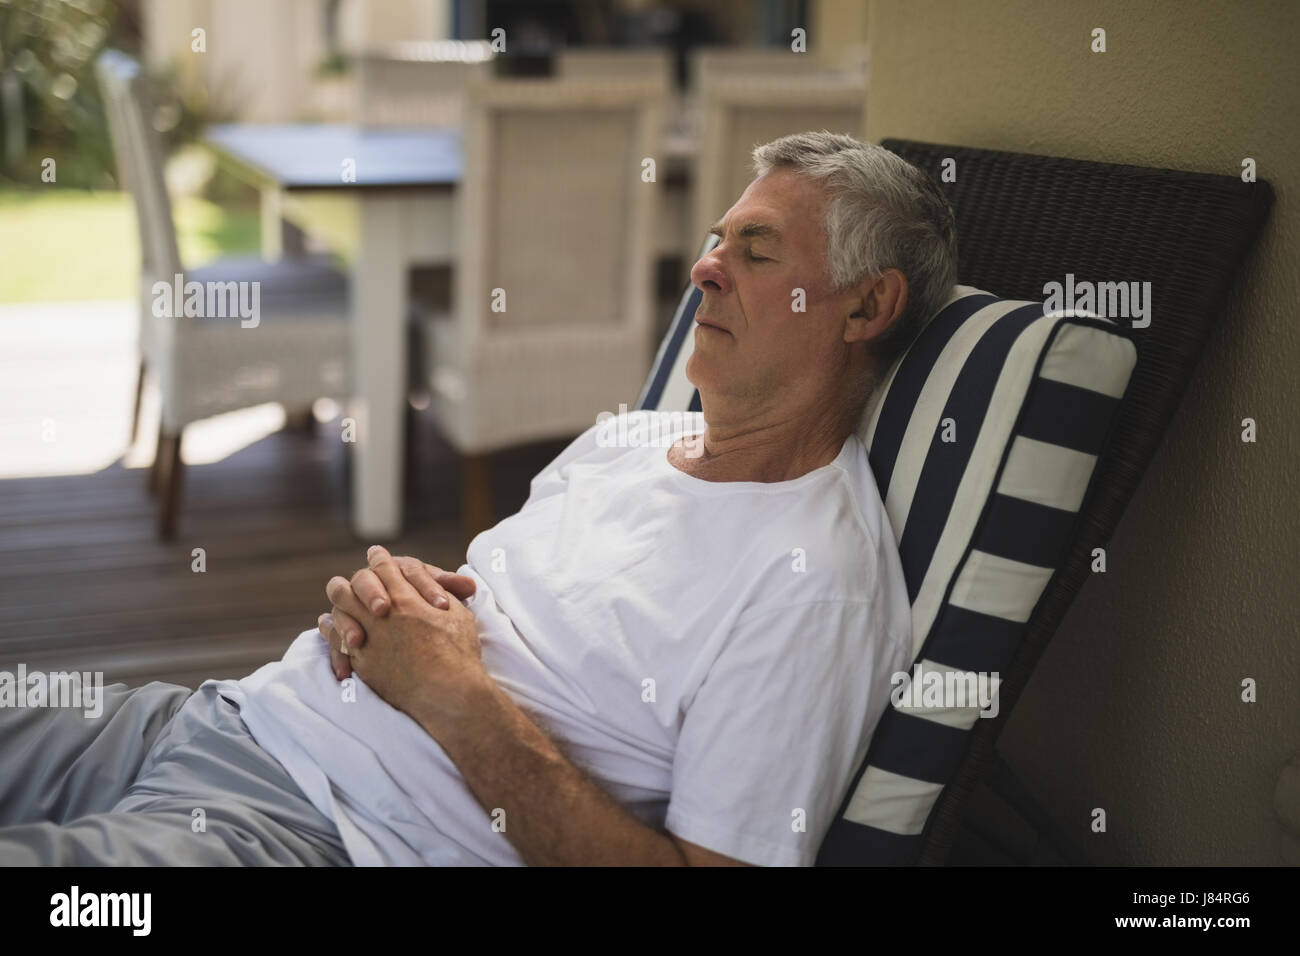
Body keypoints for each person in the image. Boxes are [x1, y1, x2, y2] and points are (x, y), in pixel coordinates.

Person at [0, 131, 958, 866]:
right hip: (225, 715)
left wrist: (449, 692)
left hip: (313, 827)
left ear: (866, 307)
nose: (706, 267)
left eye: (756, 252)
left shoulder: (813, 586)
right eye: (716, 240)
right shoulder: (629, 440)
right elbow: (506, 616)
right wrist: (401, 610)